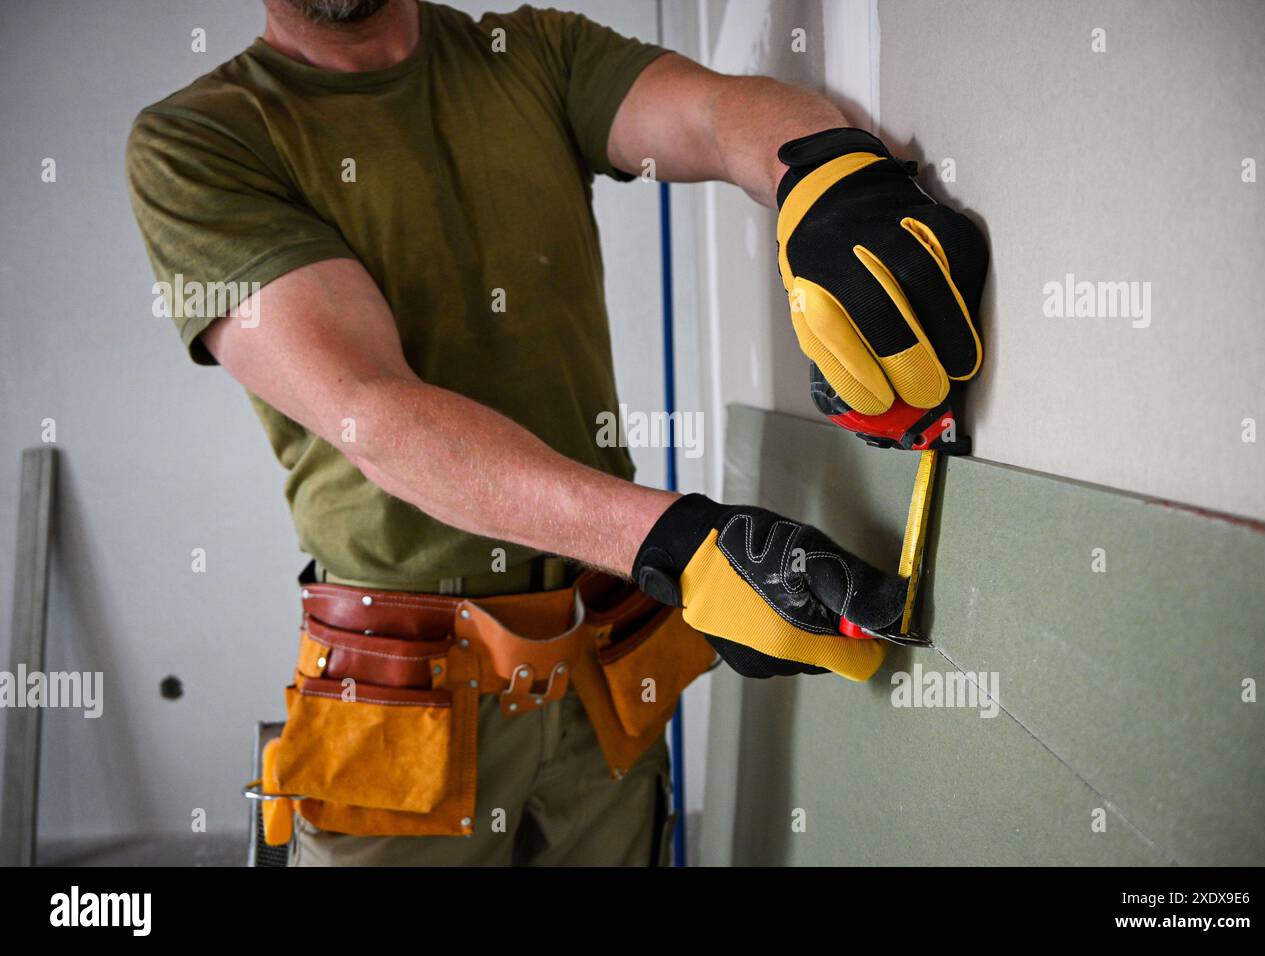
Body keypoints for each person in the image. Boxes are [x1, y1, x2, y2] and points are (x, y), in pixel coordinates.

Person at [126, 0, 986, 866]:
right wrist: (681, 546)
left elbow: (715, 113)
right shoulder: (200, 139)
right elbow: (372, 410)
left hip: (602, 654)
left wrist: (828, 178)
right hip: (405, 690)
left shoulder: (531, 53)